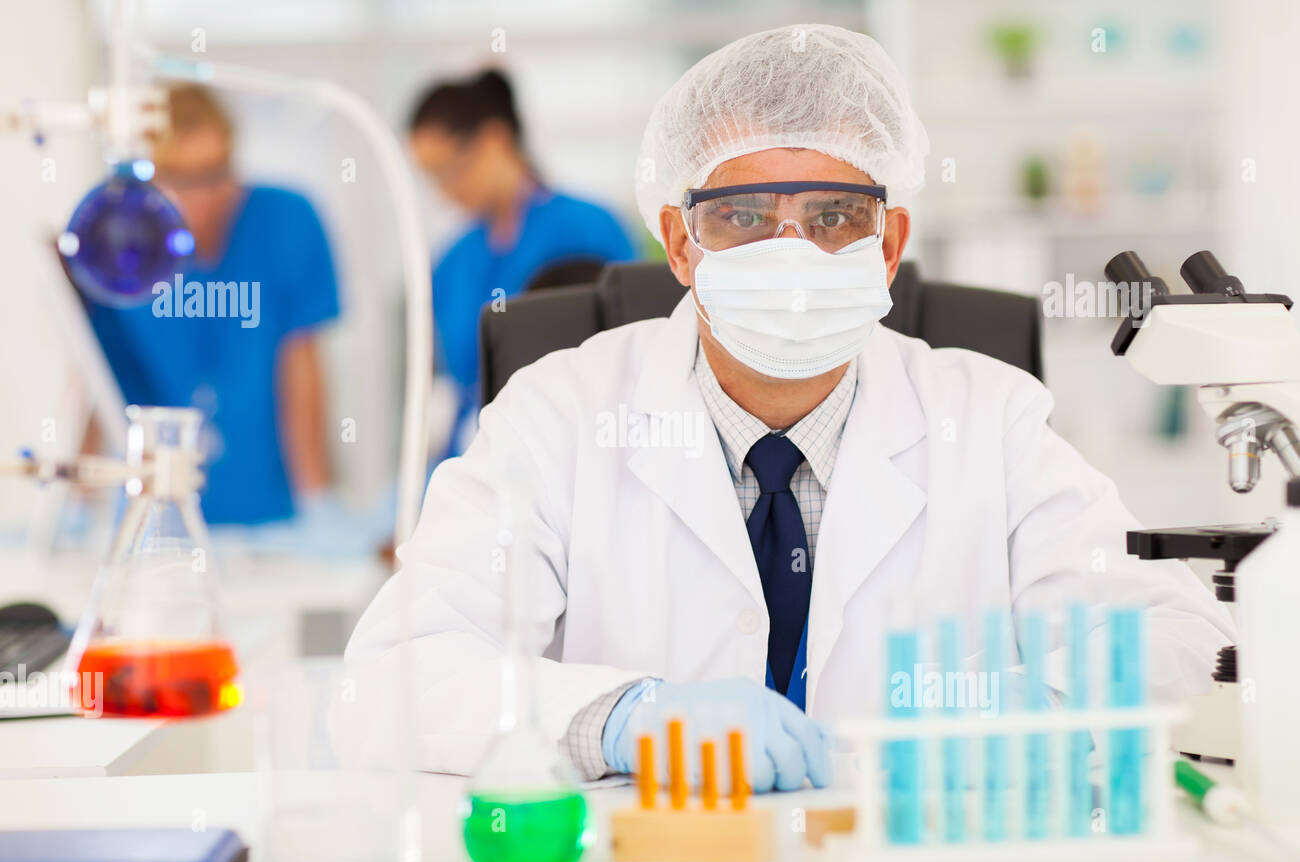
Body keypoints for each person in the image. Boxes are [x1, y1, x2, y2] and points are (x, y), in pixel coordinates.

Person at [340, 25, 1235, 791]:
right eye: (743, 217)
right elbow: (392, 680)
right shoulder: (559, 416)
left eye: (836, 216)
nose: (794, 254)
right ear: (679, 244)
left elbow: (1186, 639)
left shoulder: (989, 421)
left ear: (889, 244)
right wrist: (622, 719)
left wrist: (1015, 715)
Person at [85, 85, 338, 527]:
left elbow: (301, 366)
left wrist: (316, 501)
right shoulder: (116, 234)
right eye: (180, 178)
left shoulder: (287, 220)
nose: (202, 197)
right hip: (151, 509)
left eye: (215, 173)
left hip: (268, 511)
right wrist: (79, 498)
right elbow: (93, 369)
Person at [409, 69, 637, 452]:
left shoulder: (589, 229)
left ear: (495, 139)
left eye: (448, 171)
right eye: (431, 178)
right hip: (475, 451)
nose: (444, 193)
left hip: (577, 446)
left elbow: (628, 354)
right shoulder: (452, 262)